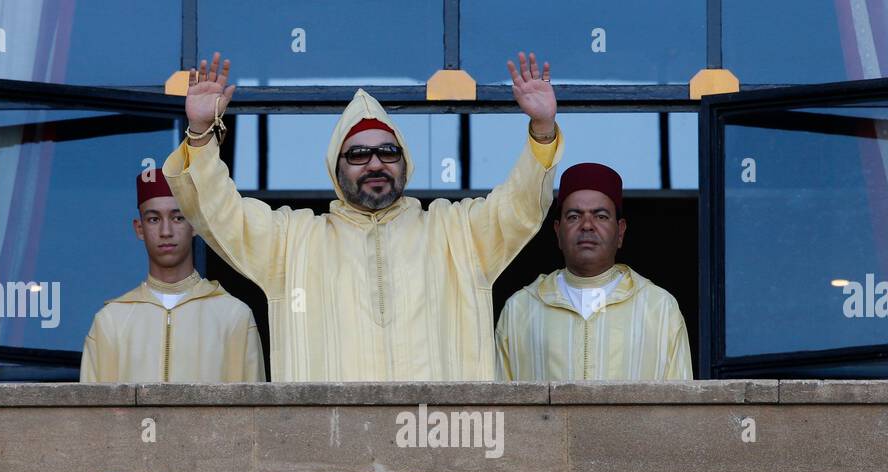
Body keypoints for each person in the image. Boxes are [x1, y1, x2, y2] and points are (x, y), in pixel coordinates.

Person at [163, 51, 563, 382]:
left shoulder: (456, 232)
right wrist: (200, 133)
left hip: (440, 444)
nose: (375, 163)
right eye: (358, 154)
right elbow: (218, 212)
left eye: (388, 152)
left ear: (405, 162)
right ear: (336, 170)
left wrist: (542, 128)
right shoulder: (293, 242)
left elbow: (521, 206)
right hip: (331, 460)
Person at [495, 163, 692, 381]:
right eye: (574, 216)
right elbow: (499, 406)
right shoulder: (520, 309)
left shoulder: (659, 308)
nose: (587, 225)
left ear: (620, 232)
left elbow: (681, 408)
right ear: (558, 232)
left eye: (600, 216)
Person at [80, 172, 265, 383]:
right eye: (153, 219)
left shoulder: (234, 317)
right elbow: (92, 415)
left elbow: (252, 413)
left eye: (178, 218)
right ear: (139, 229)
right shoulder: (110, 321)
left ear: (196, 223)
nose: (166, 231)